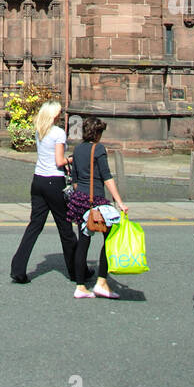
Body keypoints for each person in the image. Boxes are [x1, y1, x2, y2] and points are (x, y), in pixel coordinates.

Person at [9, 101, 78, 285]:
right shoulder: (58, 133)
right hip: (53, 182)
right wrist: (72, 159)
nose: (61, 115)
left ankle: (18, 268)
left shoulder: (40, 130)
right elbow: (59, 161)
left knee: (34, 226)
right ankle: (77, 271)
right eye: (59, 113)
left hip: (38, 180)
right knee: (65, 229)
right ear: (54, 115)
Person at [65, 116, 129, 299]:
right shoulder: (98, 148)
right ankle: (101, 282)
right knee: (109, 239)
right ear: (98, 133)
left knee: (83, 243)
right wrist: (119, 202)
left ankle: (80, 287)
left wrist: (82, 195)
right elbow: (107, 177)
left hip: (79, 200)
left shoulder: (77, 150)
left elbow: (75, 180)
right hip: (96, 201)